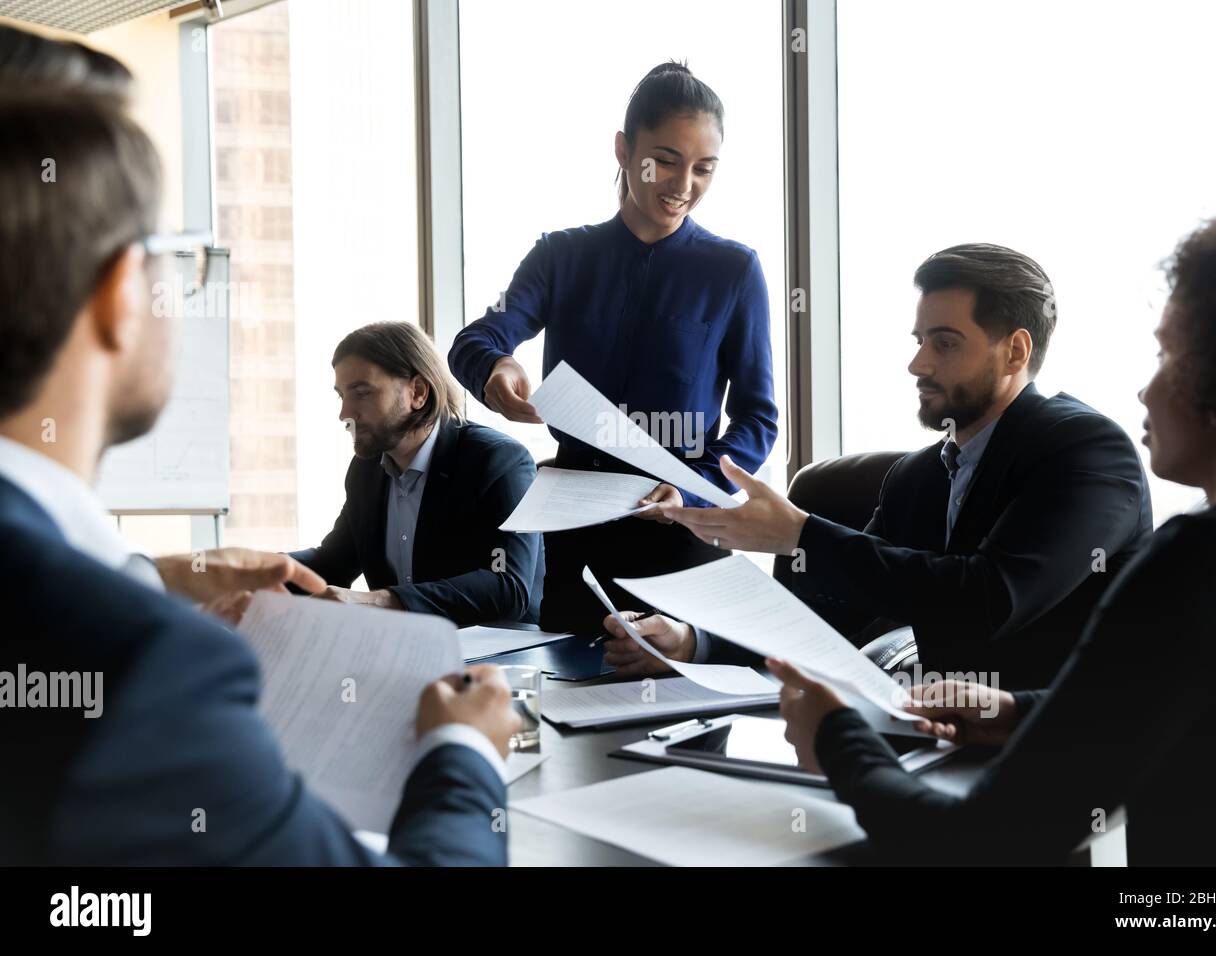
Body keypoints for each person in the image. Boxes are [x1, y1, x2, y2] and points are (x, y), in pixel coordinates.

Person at [0, 31, 517, 866]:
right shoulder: (149, 668)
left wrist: (161, 575)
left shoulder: (494, 461)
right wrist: (463, 754)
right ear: (118, 298)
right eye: (172, 260)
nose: (344, 409)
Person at [772, 187, 1216, 865]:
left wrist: (837, 736)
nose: (1144, 389)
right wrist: (1018, 712)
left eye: (1168, 356)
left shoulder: (1208, 555)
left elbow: (978, 840)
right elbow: (1173, 702)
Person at [602, 244, 1152, 689]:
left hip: (1054, 760)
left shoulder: (1086, 450)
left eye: (945, 343)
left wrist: (800, 533)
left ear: (1014, 352)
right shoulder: (919, 478)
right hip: (934, 736)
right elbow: (833, 610)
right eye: (919, 341)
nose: (918, 363)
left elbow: (989, 598)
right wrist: (695, 641)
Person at [448, 61, 778, 636]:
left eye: (704, 169)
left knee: (689, 711)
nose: (683, 186)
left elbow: (759, 419)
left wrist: (698, 485)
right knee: (568, 698)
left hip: (682, 530)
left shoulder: (733, 271)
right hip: (571, 534)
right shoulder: (561, 257)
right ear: (624, 150)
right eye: (667, 160)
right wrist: (496, 365)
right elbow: (476, 339)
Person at [287, 322, 544, 627]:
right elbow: (335, 561)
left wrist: (379, 601)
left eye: (361, 393)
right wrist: (264, 568)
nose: (344, 413)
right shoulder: (367, 470)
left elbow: (507, 587)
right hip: (412, 652)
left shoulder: (497, 460)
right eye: (341, 395)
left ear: (418, 392)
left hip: (505, 656)